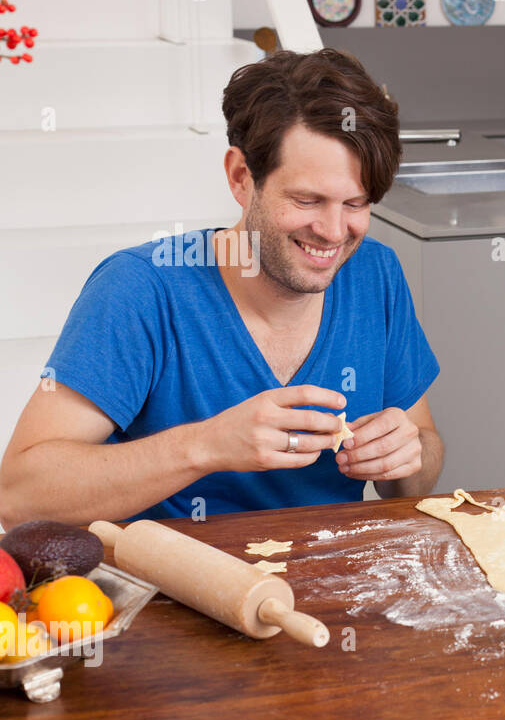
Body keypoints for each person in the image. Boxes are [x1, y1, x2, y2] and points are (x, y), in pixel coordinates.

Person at [0, 49, 444, 527]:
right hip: (174, 589)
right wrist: (206, 446)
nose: (335, 233)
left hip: (329, 585)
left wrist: (406, 456)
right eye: (306, 199)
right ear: (240, 178)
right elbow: (19, 496)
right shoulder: (141, 289)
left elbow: (423, 454)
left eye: (355, 203)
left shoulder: (376, 273)